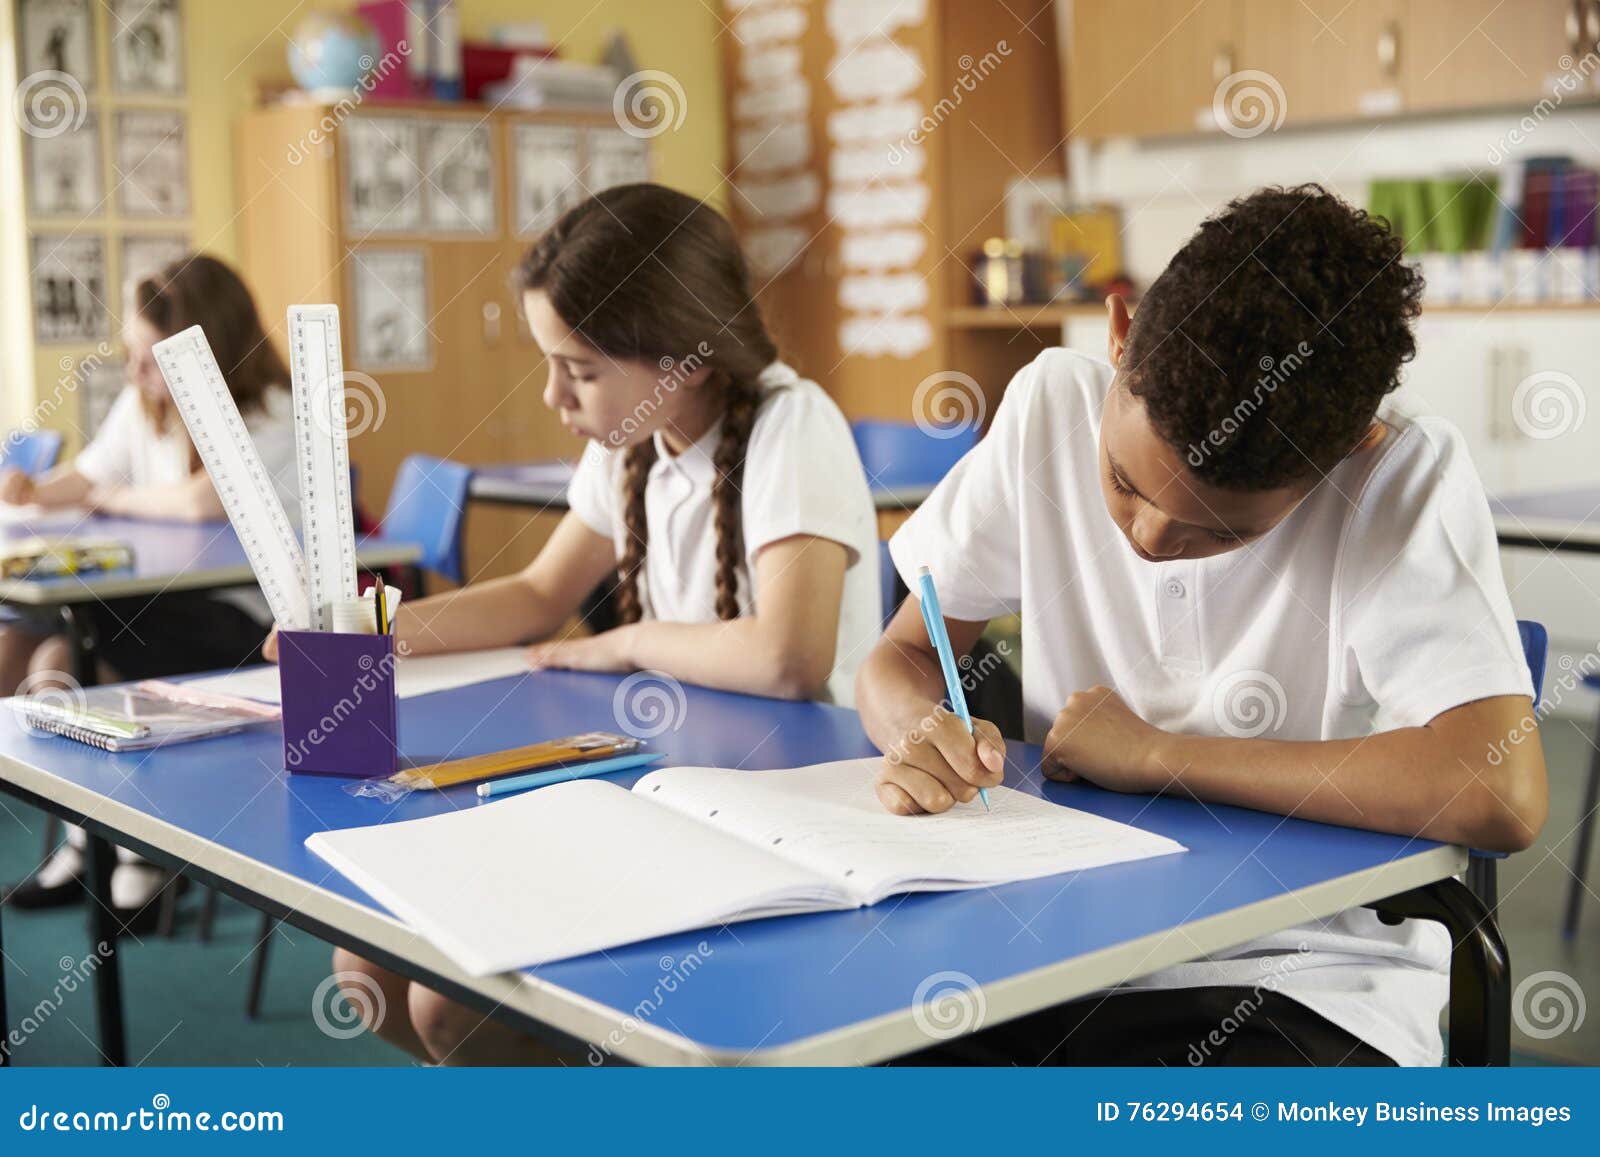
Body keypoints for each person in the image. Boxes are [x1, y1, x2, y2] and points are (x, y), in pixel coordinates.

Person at [858, 184, 1547, 1067]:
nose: (1147, 540)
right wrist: (916, 727)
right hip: (1044, 952)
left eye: (1222, 531)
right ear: (1118, 336)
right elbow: (903, 653)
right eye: (1124, 482)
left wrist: (1155, 755)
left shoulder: (1396, 478)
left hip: (1300, 983)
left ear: (1350, 450)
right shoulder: (1048, 411)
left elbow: (1502, 789)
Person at [280, 184, 881, 1063]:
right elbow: (535, 594)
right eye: (553, 363)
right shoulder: (637, 443)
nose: (558, 397)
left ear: (686, 356)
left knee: (452, 1012)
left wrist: (628, 640)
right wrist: (368, 633)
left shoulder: (796, 427)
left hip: (793, 805)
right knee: (365, 972)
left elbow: (790, 658)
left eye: (583, 369)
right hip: (675, 781)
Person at [1, 254, 299, 928]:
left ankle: (129, 849)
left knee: (64, 652)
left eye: (149, 356)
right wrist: (35, 492)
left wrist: (108, 494)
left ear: (203, 350)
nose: (134, 372)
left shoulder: (272, 412)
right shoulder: (149, 407)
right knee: (37, 649)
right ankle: (96, 840)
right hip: (161, 604)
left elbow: (201, 502)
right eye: (132, 354)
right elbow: (88, 473)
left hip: (249, 620)